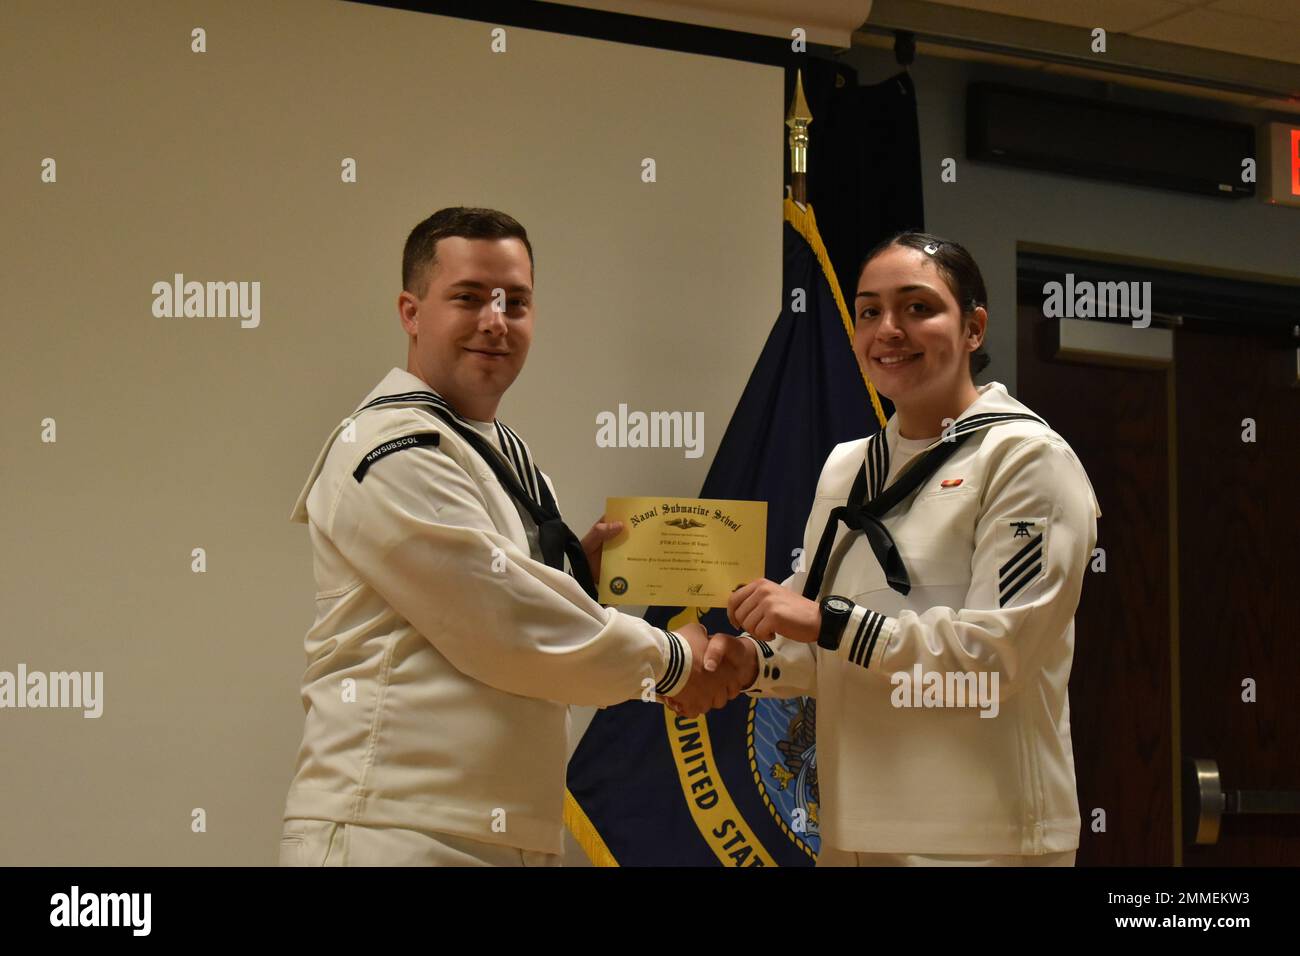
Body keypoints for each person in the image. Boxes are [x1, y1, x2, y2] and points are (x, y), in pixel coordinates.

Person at [279, 207, 749, 866]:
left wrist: (572, 582)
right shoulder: (389, 447)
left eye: (516, 302)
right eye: (469, 297)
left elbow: (516, 604)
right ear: (411, 313)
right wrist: (671, 662)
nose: (496, 321)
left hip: (502, 831)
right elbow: (505, 624)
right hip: (396, 830)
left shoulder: (502, 454)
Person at [684, 231, 1101, 867]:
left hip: (982, 841)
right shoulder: (848, 466)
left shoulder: (1027, 460)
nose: (888, 330)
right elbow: (820, 644)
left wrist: (826, 623)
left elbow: (993, 658)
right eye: (870, 311)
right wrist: (751, 663)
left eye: (918, 308)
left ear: (974, 328)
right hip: (853, 835)